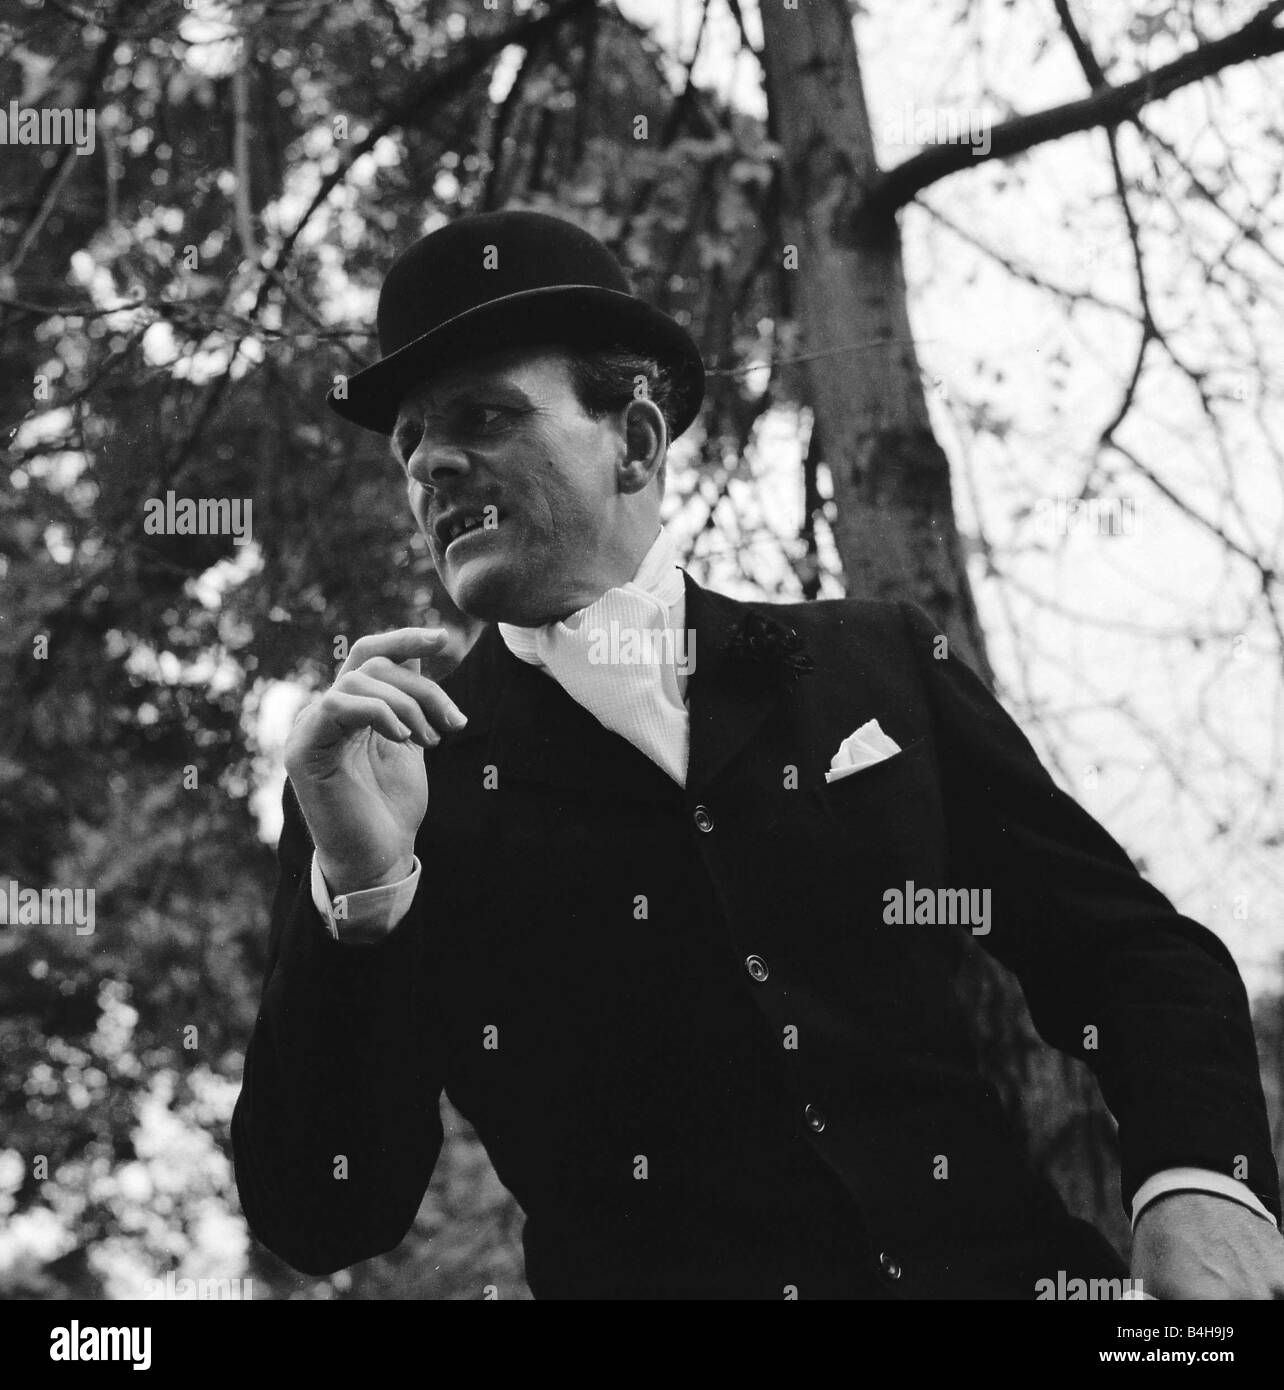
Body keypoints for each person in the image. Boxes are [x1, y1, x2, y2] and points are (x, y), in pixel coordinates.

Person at [232, 210, 1284, 1299]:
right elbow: (322, 1212)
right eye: (409, 445)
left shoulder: (873, 664)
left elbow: (1132, 956)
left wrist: (1203, 1181)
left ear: (635, 442)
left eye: (483, 416)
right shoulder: (383, 787)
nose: (431, 464)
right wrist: (362, 895)